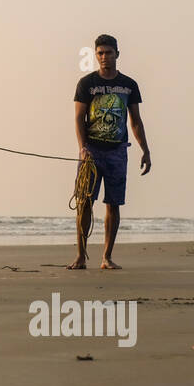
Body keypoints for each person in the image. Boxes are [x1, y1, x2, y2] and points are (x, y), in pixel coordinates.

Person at [68, 34, 150, 270]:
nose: (104, 57)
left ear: (117, 54)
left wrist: (145, 150)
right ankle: (81, 256)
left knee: (113, 204)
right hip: (91, 152)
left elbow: (135, 121)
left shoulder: (129, 85)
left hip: (117, 152)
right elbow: (78, 118)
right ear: (96, 55)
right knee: (84, 202)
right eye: (100, 53)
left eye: (108, 53)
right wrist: (82, 148)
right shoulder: (86, 83)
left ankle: (107, 257)